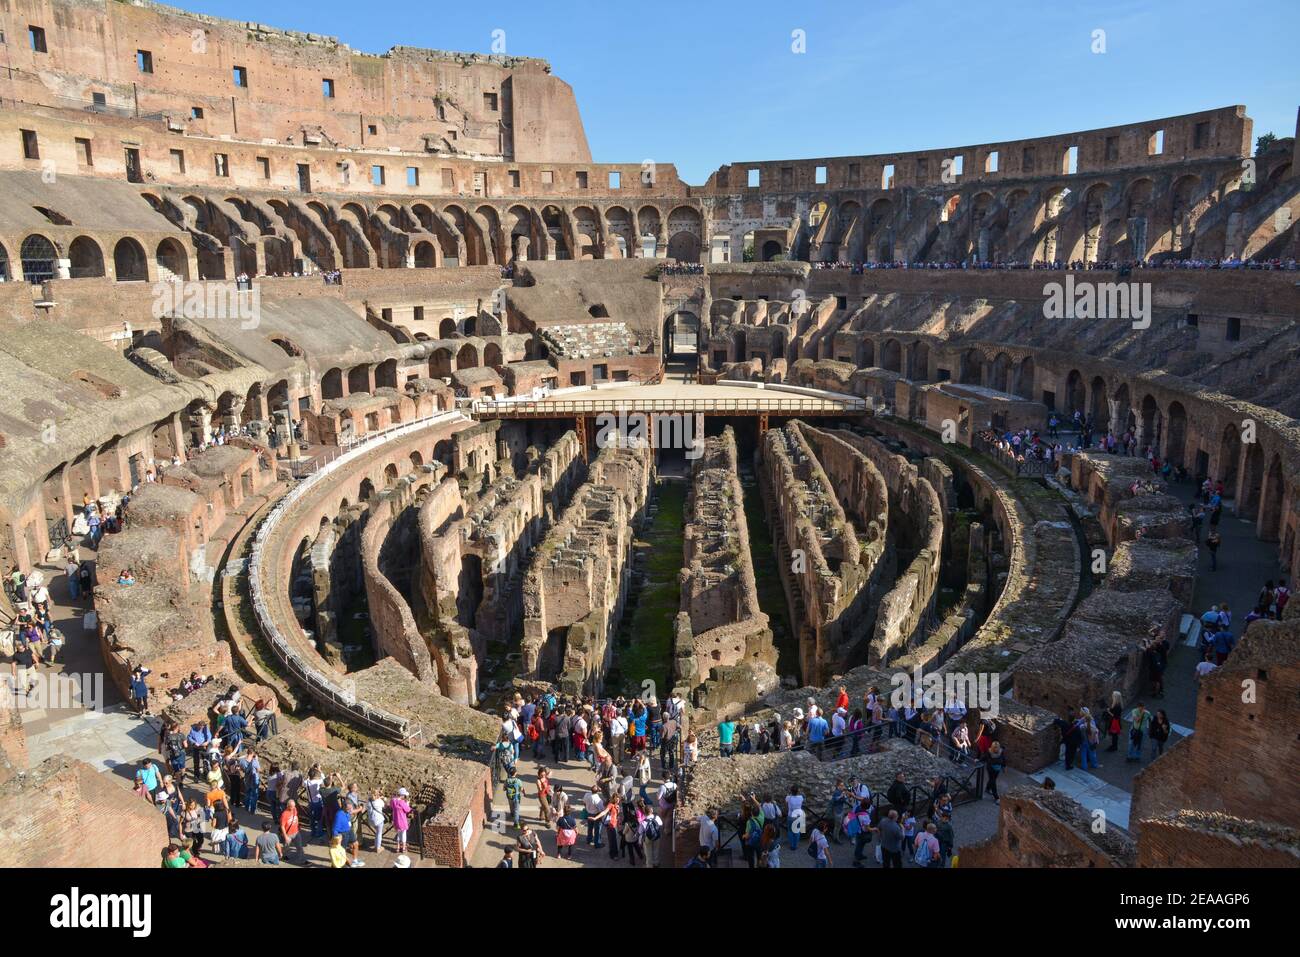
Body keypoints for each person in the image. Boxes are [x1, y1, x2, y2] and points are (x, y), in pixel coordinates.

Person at [390, 787, 412, 855]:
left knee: (398, 834)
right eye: (404, 795)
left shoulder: (393, 800)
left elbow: (391, 806)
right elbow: (408, 810)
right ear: (402, 795)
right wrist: (407, 803)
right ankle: (404, 848)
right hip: (402, 820)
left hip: (396, 820)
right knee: (403, 834)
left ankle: (398, 847)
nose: (405, 796)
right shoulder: (402, 802)